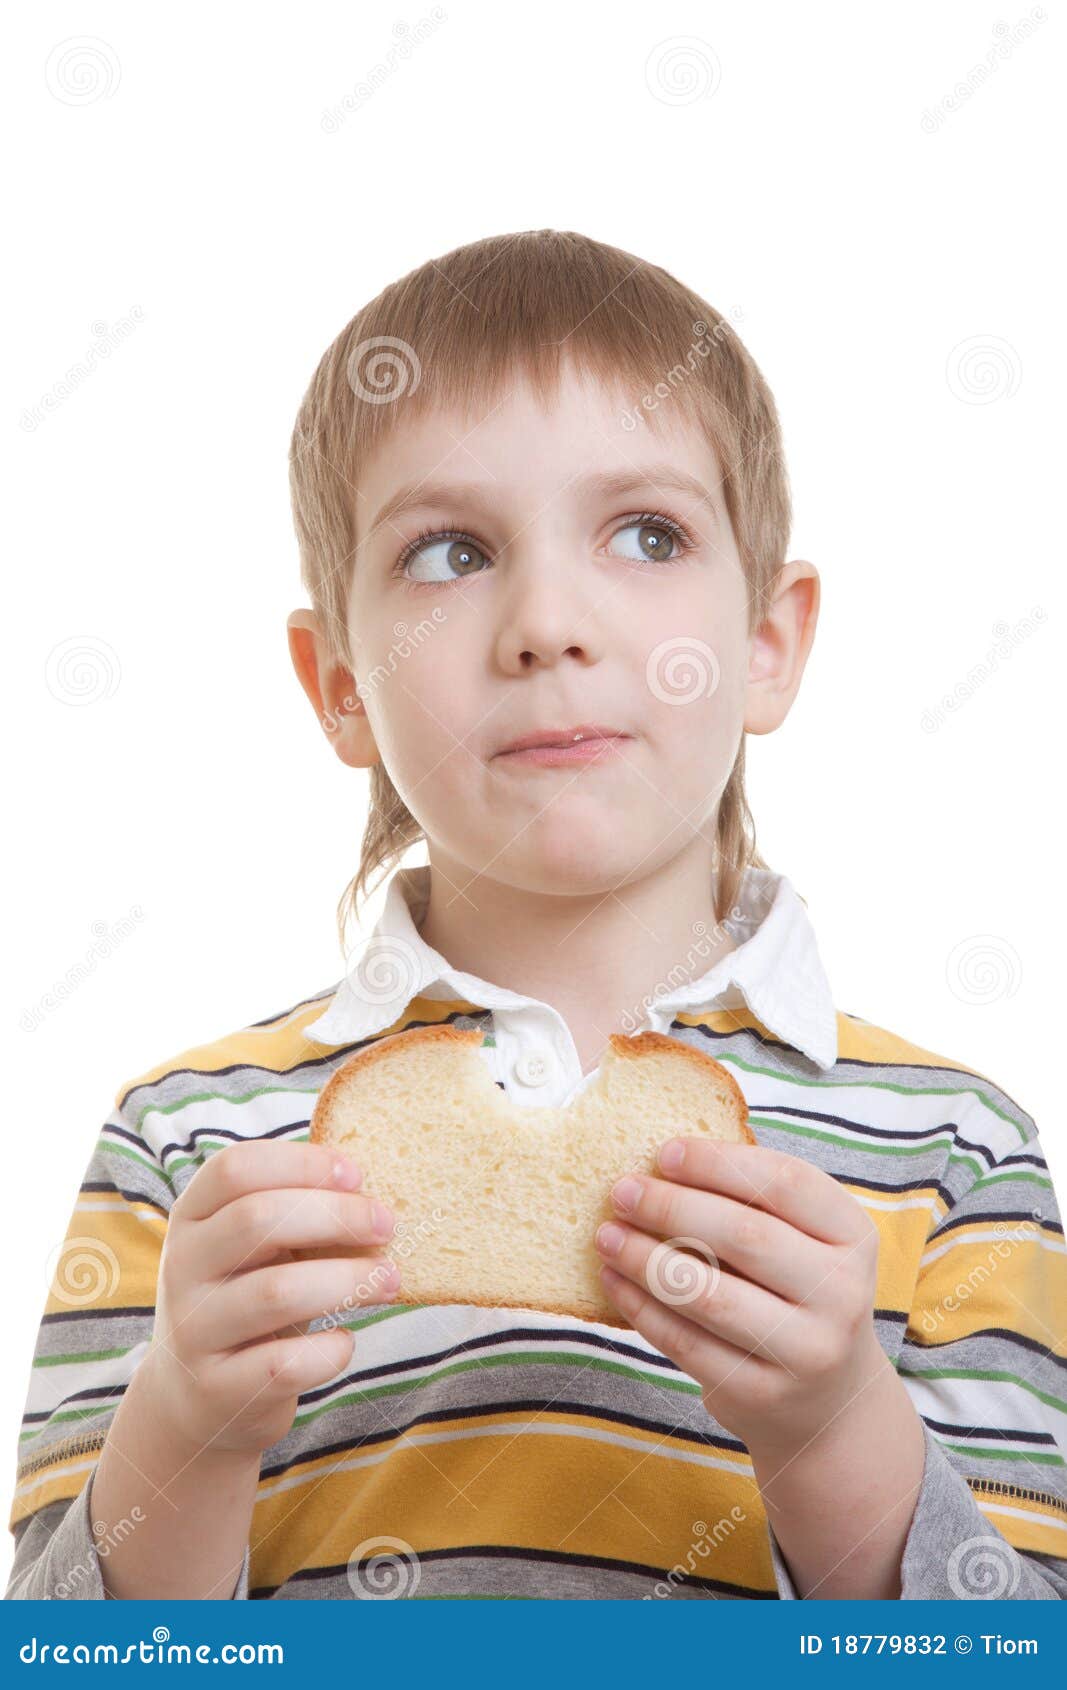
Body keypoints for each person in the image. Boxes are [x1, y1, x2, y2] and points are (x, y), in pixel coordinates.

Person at [7, 231, 1065, 1600]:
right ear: (337, 682)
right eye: (450, 552)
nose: (547, 621)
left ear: (768, 643)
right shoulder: (192, 1147)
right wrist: (184, 1432)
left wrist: (834, 1427)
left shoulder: (954, 1153)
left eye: (647, 534)